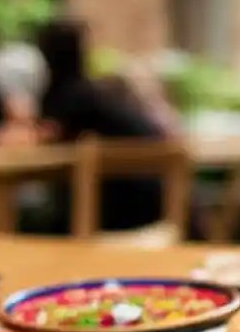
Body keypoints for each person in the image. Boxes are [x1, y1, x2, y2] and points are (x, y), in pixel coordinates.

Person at [36, 20, 168, 231]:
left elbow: (48, 140)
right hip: (158, 200)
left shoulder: (70, 96)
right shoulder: (94, 92)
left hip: (125, 207)